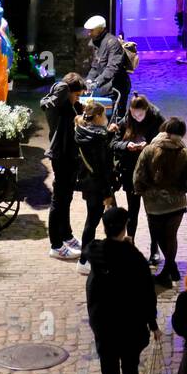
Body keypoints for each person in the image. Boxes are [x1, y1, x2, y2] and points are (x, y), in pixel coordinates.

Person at [86, 204, 160, 374]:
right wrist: (153, 324)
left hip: (105, 330)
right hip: (130, 330)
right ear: (125, 228)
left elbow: (89, 248)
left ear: (105, 228)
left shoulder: (96, 252)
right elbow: (147, 295)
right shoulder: (135, 259)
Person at [133, 116, 187, 289]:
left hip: (154, 205)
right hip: (177, 204)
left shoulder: (149, 150)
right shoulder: (184, 153)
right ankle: (172, 269)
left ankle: (168, 271)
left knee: (160, 236)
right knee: (171, 237)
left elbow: (138, 177)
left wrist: (142, 192)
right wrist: (184, 190)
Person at [110, 92, 165, 265]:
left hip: (151, 173)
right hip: (131, 173)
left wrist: (148, 146)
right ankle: (130, 245)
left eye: (139, 114)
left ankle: (154, 249)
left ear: (146, 110)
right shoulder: (126, 120)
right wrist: (127, 145)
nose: (136, 117)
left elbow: (165, 142)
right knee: (132, 212)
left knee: (152, 214)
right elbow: (113, 142)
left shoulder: (157, 120)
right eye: (133, 114)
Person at [43, 71, 86, 260]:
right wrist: (64, 89)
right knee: (59, 200)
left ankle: (66, 235)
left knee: (66, 198)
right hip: (62, 156)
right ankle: (56, 245)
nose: (77, 98)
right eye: (76, 94)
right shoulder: (59, 102)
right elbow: (50, 102)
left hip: (68, 156)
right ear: (68, 91)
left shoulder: (67, 104)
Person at [74, 99, 116, 273]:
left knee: (93, 221)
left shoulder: (82, 131)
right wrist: (107, 193)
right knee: (93, 222)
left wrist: (108, 133)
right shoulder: (98, 138)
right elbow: (101, 167)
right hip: (98, 186)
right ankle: (85, 260)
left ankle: (89, 258)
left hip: (88, 184)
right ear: (97, 116)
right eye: (103, 115)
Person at [84, 13, 131, 120]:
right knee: (104, 118)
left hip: (117, 88)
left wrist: (97, 82)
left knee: (116, 119)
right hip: (106, 88)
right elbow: (95, 66)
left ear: (100, 29)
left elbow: (113, 67)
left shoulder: (112, 43)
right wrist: (88, 81)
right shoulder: (97, 43)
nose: (89, 33)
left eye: (91, 30)